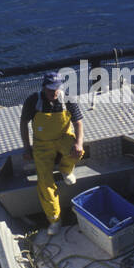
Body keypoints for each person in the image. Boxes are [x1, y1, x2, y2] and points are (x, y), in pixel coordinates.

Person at [20, 71, 85, 236]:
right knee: (44, 181)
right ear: (43, 88)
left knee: (79, 151)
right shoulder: (33, 101)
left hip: (63, 137)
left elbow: (78, 123)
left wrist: (78, 143)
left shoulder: (68, 99)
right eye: (50, 89)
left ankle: (65, 169)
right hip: (41, 144)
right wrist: (27, 147)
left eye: (56, 88)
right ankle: (55, 219)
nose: (53, 92)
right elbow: (23, 124)